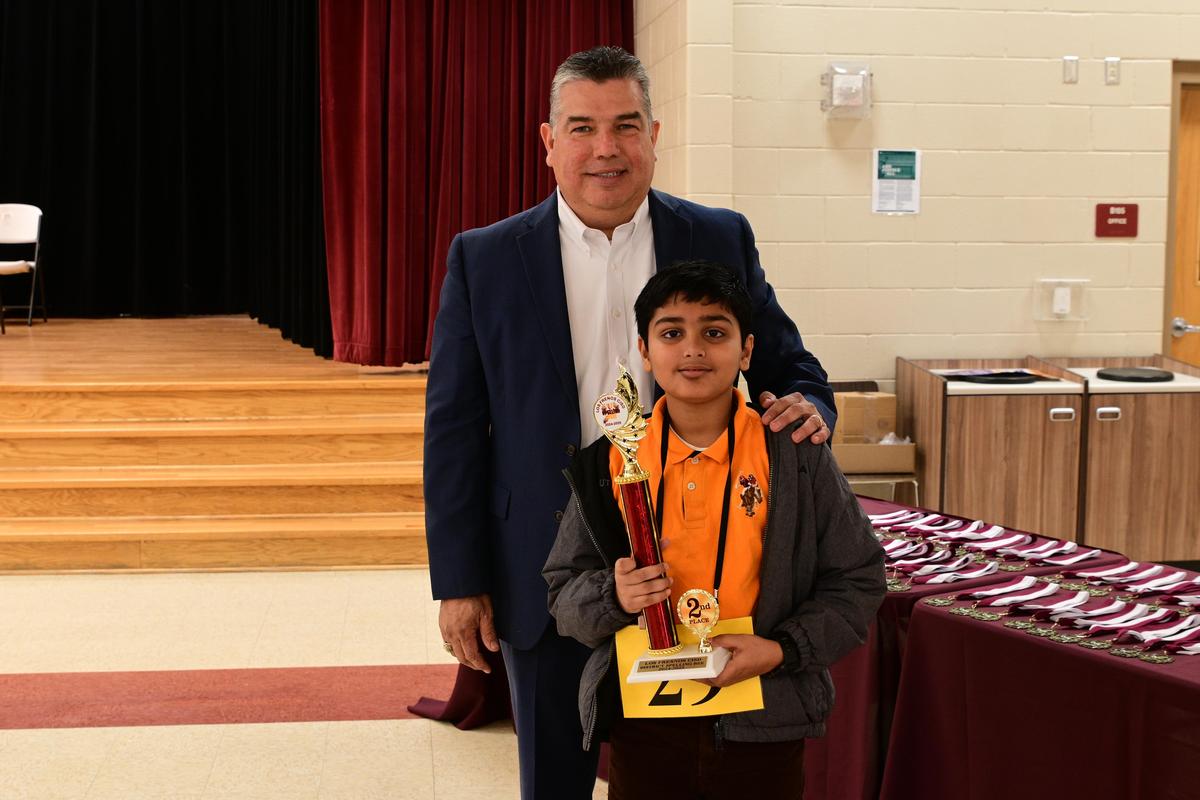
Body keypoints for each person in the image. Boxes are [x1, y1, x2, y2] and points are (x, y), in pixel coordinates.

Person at [424, 46, 835, 799]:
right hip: (548, 563)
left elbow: (786, 364)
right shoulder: (485, 259)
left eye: (625, 125)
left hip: (698, 563)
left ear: (654, 134)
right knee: (554, 777)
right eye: (582, 127)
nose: (605, 148)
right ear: (548, 142)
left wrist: (808, 405)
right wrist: (460, 580)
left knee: (681, 775)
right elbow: (453, 430)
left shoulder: (717, 237)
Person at [543, 260, 886, 799]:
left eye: (714, 333)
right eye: (671, 333)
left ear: (746, 351)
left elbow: (859, 577)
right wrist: (615, 595)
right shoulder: (610, 462)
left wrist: (781, 649)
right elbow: (564, 591)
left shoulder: (793, 453)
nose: (693, 349)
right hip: (645, 719)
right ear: (644, 350)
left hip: (764, 715)